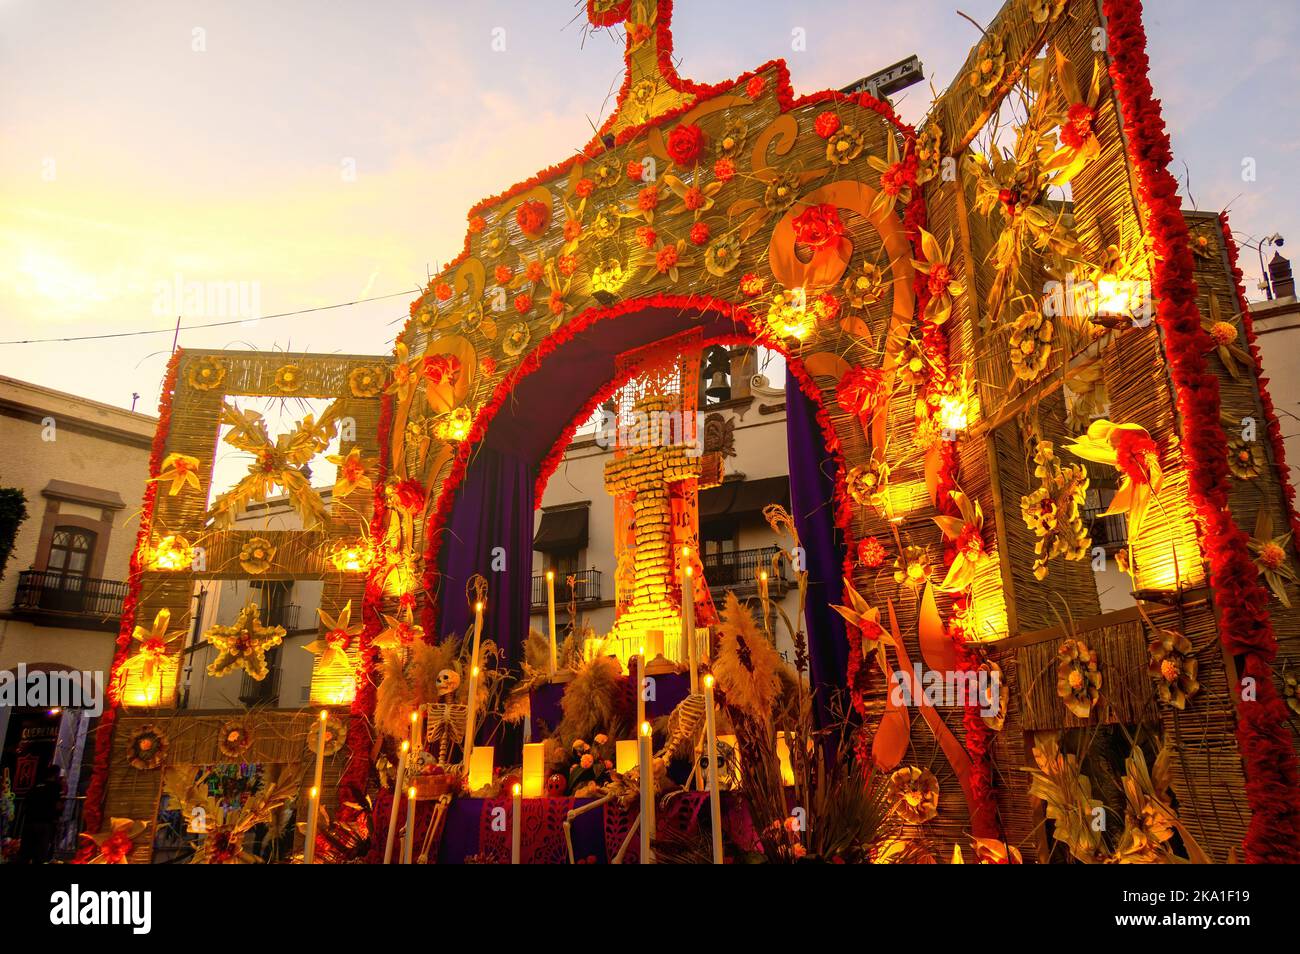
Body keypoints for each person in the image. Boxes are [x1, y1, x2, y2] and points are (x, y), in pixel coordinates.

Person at [18, 765, 65, 864]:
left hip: (29, 822)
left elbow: (25, 804)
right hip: (45, 823)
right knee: (40, 854)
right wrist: (58, 816)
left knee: (25, 853)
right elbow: (58, 805)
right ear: (55, 775)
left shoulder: (35, 786)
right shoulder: (56, 787)